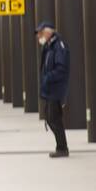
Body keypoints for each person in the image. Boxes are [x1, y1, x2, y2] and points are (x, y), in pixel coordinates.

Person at [37, 21, 71, 158]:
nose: (39, 36)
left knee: (54, 118)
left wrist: (48, 78)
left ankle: (62, 148)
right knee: (51, 118)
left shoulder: (59, 46)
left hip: (56, 88)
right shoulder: (49, 47)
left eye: (41, 32)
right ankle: (61, 146)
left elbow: (61, 68)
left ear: (49, 32)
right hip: (50, 88)